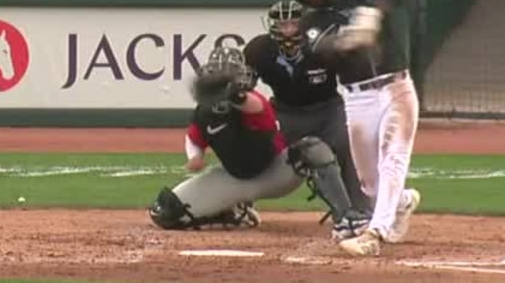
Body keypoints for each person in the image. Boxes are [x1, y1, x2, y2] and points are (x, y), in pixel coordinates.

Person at [289, 0, 421, 257]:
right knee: (370, 184)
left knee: (392, 158)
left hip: (396, 88)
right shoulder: (311, 21)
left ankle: (375, 233)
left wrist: (372, 11)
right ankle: (403, 202)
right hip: (358, 98)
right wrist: (349, 39)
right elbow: (321, 48)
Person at [149, 44, 355, 234]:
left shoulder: (254, 102)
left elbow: (254, 106)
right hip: (234, 180)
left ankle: (346, 217)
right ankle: (230, 212)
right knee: (166, 211)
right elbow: (194, 137)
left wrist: (232, 94)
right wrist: (195, 156)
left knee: (312, 148)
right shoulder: (204, 112)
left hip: (276, 173)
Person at [242, 0, 370, 240]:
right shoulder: (259, 50)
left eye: (293, 23)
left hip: (327, 109)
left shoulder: (320, 46)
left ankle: (360, 210)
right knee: (257, 146)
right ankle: (241, 204)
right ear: (272, 26)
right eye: (282, 24)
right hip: (285, 111)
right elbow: (245, 87)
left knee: (347, 146)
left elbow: (351, 74)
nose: (288, 29)